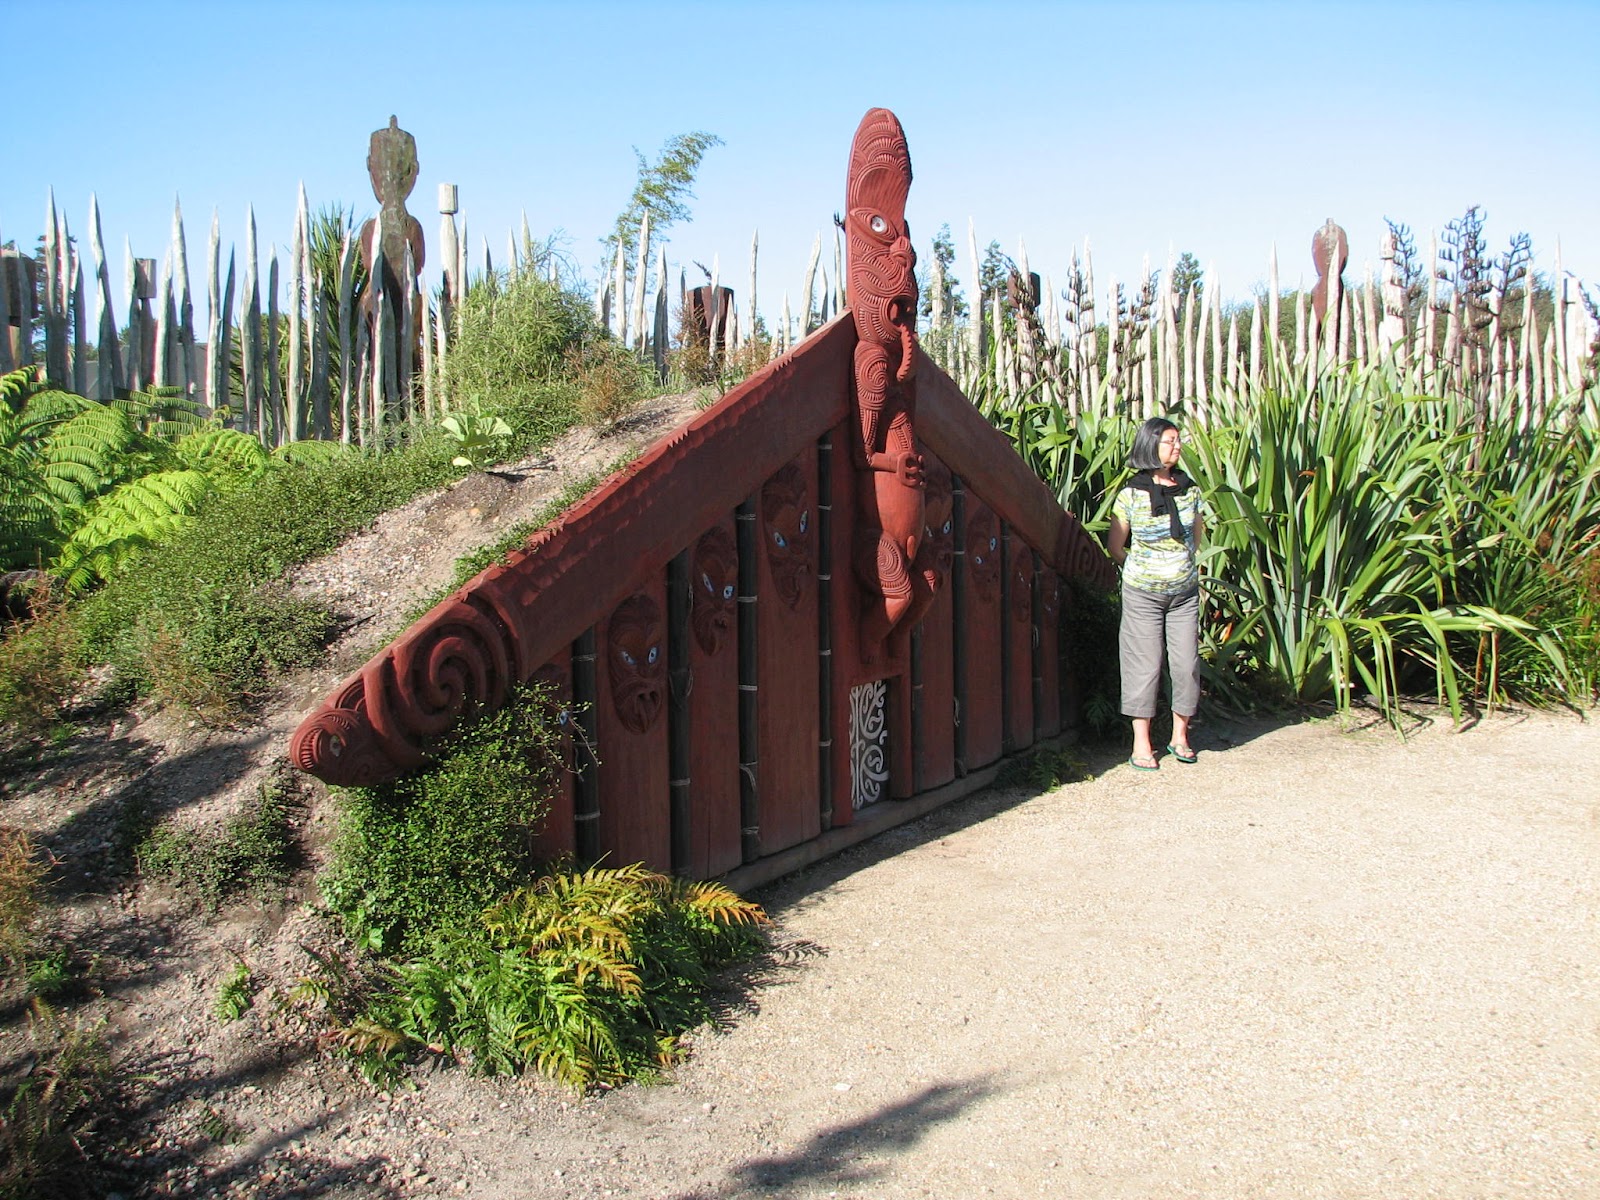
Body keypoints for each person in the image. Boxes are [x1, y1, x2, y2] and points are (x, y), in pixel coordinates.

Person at [1107, 417, 1205, 771]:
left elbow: (1196, 536)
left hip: (1184, 593)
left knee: (1185, 662)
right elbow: (1116, 546)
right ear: (1151, 445)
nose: (1176, 447)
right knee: (1143, 664)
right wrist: (1143, 570)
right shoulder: (1131, 494)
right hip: (1142, 594)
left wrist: (1179, 567)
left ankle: (1181, 735)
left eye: (1178, 441)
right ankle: (1141, 743)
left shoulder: (1191, 490)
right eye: (1169, 441)